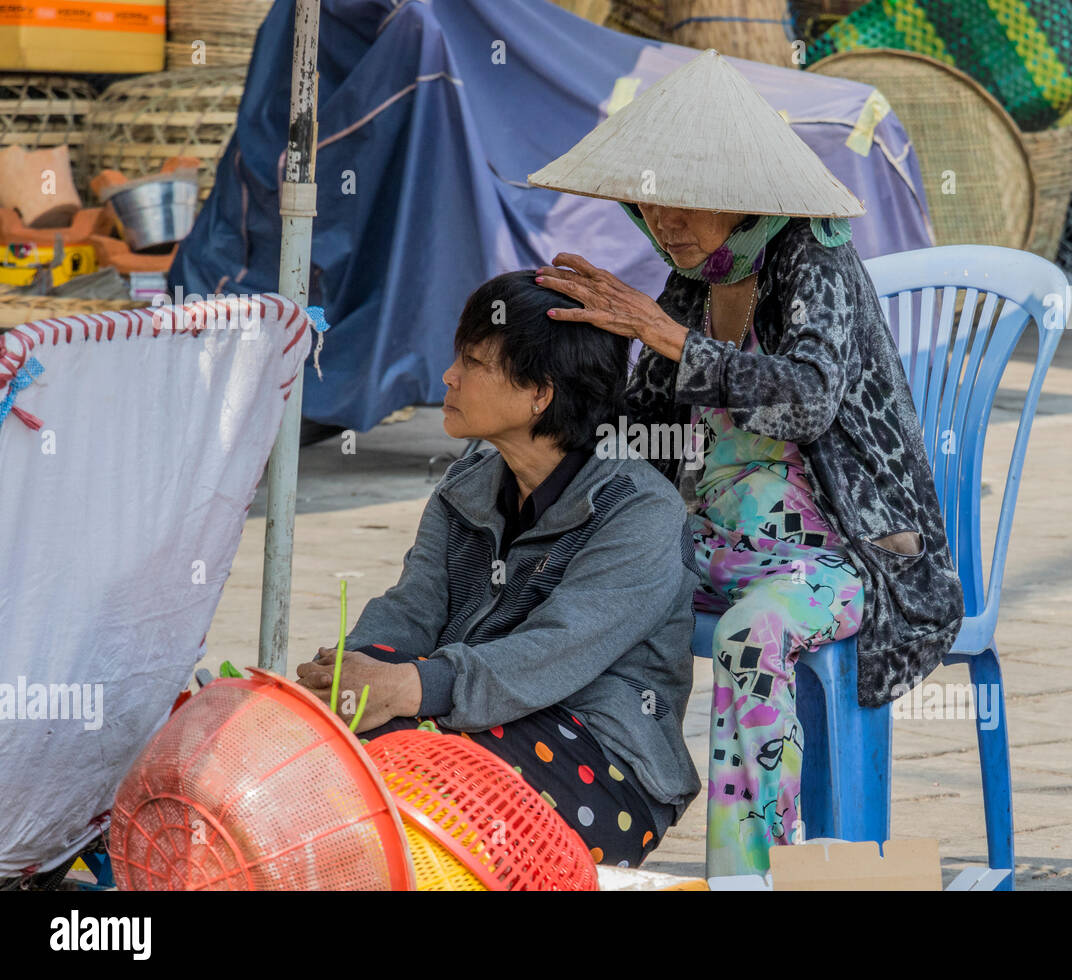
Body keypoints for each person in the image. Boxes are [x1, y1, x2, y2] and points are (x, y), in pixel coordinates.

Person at [529, 49, 965, 877]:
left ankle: (751, 873)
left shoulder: (814, 258)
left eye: (688, 202)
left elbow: (807, 399)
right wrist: (551, 399)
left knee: (748, 638)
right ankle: (583, 829)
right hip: (720, 546)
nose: (667, 222)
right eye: (651, 202)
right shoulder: (693, 281)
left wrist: (664, 337)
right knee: (576, 588)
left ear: (746, 194)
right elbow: (648, 429)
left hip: (845, 557)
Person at [295, 271, 701, 868]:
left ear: (540, 393)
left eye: (475, 362)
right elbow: (413, 607)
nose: (449, 377)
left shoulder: (639, 509)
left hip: (602, 762)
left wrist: (410, 687)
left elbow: (554, 650)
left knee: (391, 772)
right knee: (325, 750)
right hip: (463, 721)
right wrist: (357, 673)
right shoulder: (467, 485)